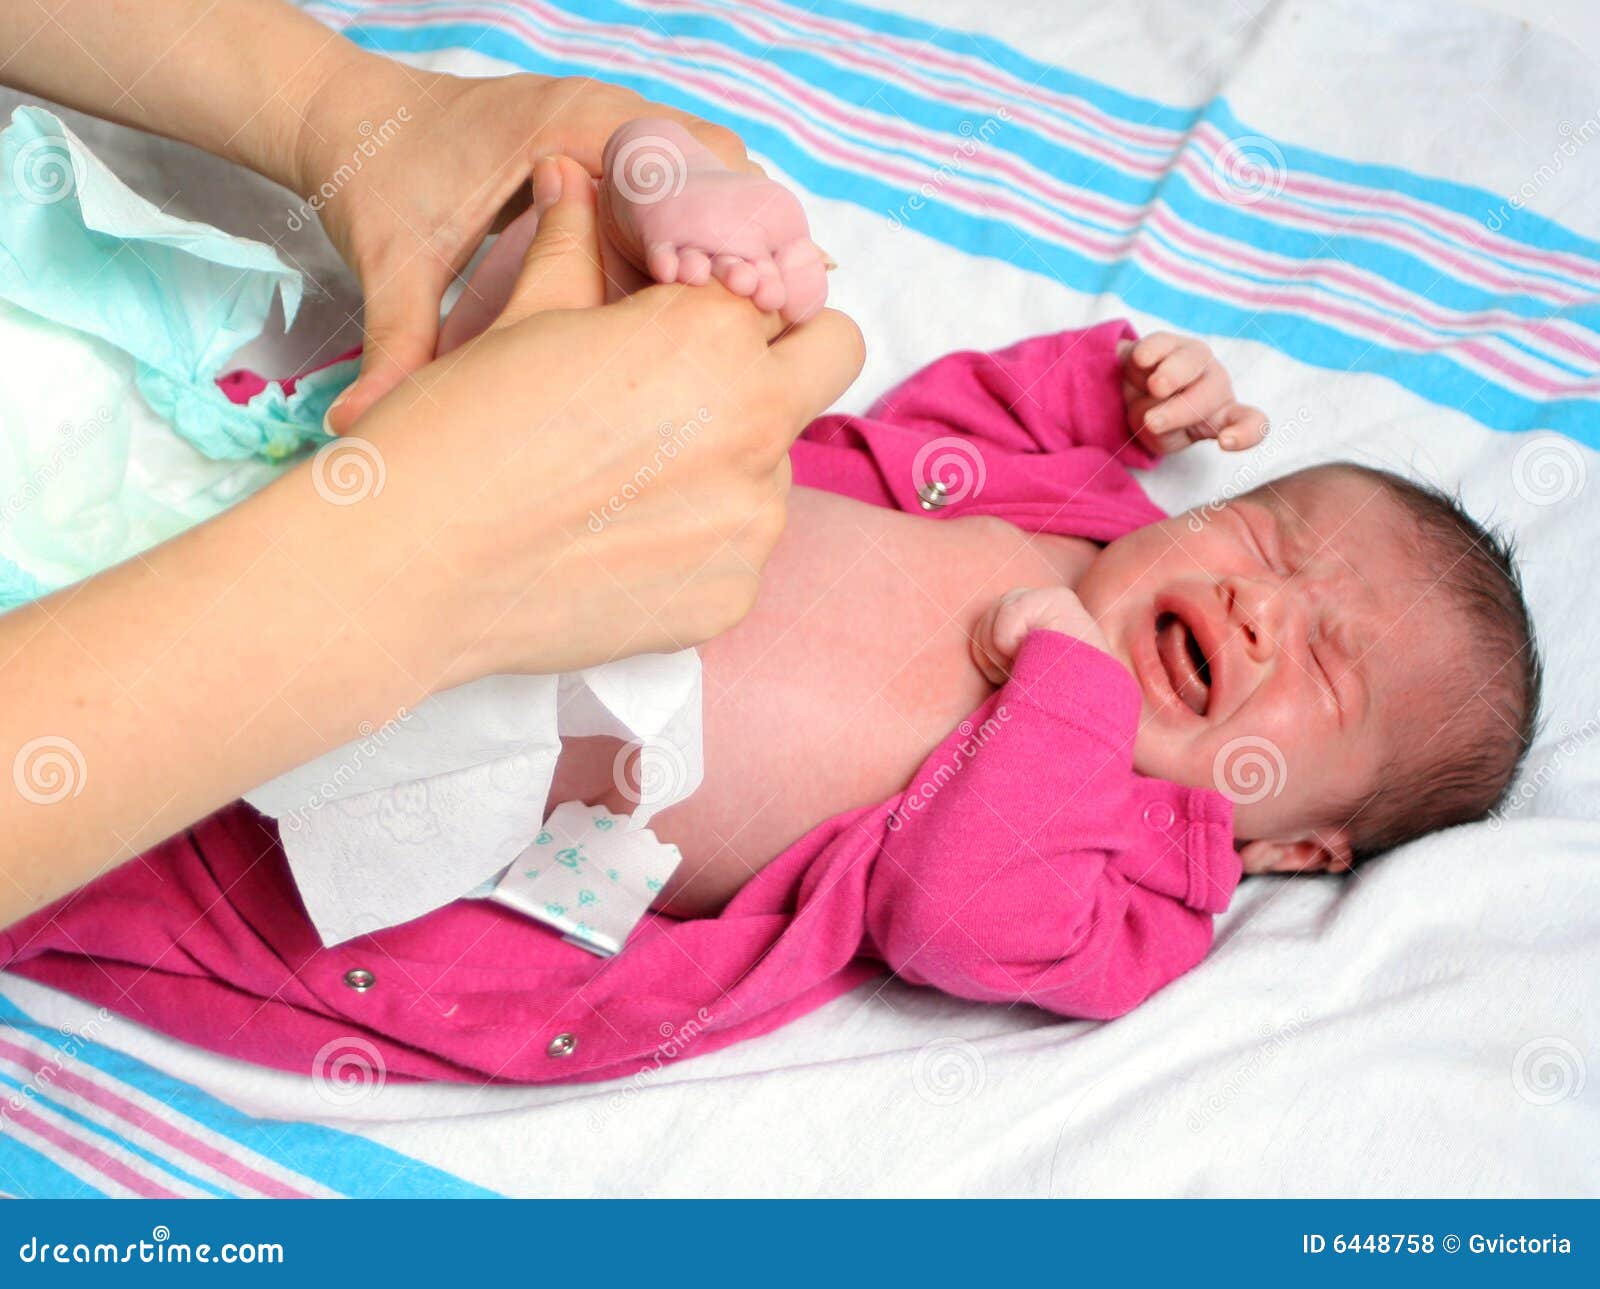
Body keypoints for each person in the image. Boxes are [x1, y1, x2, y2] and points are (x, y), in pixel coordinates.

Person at [0, 0, 864, 927]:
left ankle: (601, 209)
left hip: (263, 486)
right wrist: (414, 563)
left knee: (465, 353)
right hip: (205, 636)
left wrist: (336, 105)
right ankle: (599, 215)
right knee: (477, 708)